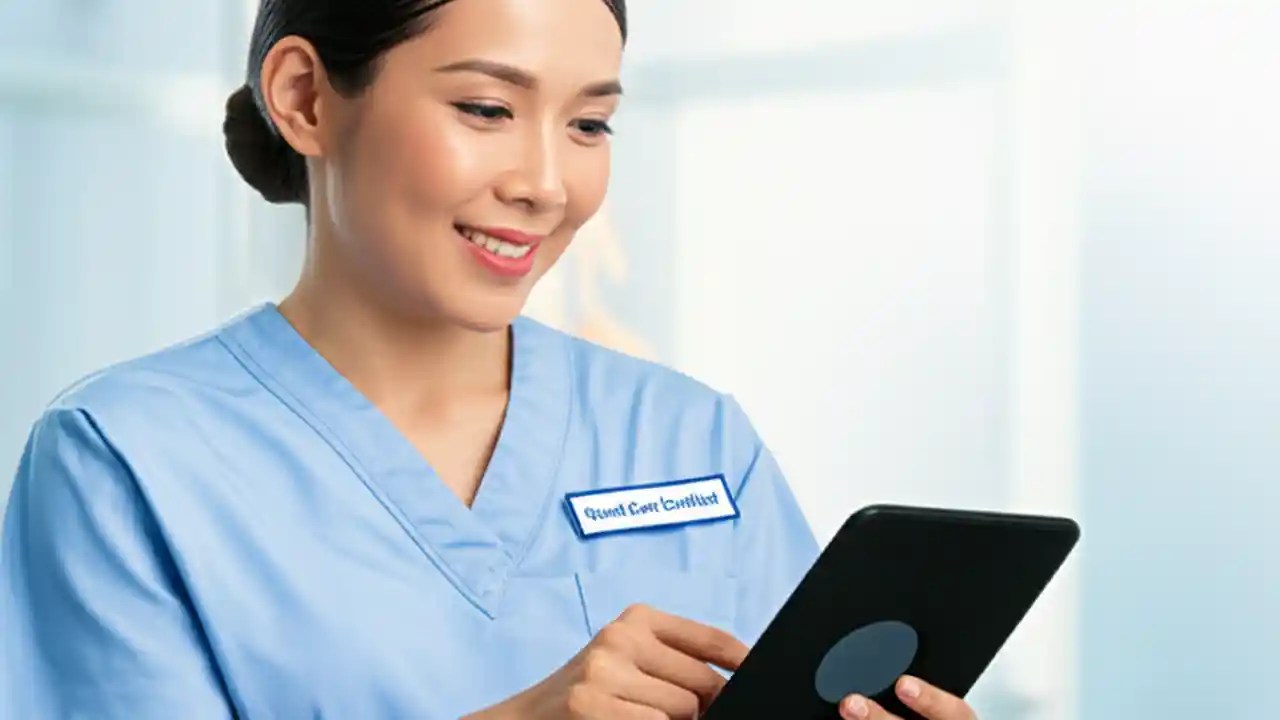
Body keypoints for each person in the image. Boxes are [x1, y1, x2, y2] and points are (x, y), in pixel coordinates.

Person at [0, 1, 980, 718]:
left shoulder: (689, 434)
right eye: (483, 108)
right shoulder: (126, 459)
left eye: (590, 123)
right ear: (304, 99)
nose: (547, 185)